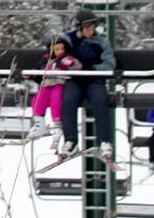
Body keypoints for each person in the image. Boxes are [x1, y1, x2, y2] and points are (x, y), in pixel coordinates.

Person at [59, 9, 116, 156]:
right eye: (87, 28)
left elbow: (110, 64)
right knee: (68, 101)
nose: (91, 31)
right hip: (75, 79)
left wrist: (93, 68)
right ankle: (70, 140)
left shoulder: (101, 41)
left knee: (100, 100)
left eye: (92, 28)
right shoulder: (69, 40)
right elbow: (58, 56)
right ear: (79, 27)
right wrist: (67, 64)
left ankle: (104, 140)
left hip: (94, 79)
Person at [26, 37, 80, 149]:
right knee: (37, 99)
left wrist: (70, 63)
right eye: (56, 49)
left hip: (59, 83)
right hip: (46, 83)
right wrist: (31, 73)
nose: (59, 51)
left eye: (61, 49)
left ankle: (57, 124)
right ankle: (39, 123)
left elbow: (77, 66)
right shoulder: (46, 60)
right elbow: (37, 68)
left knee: (56, 100)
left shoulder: (66, 58)